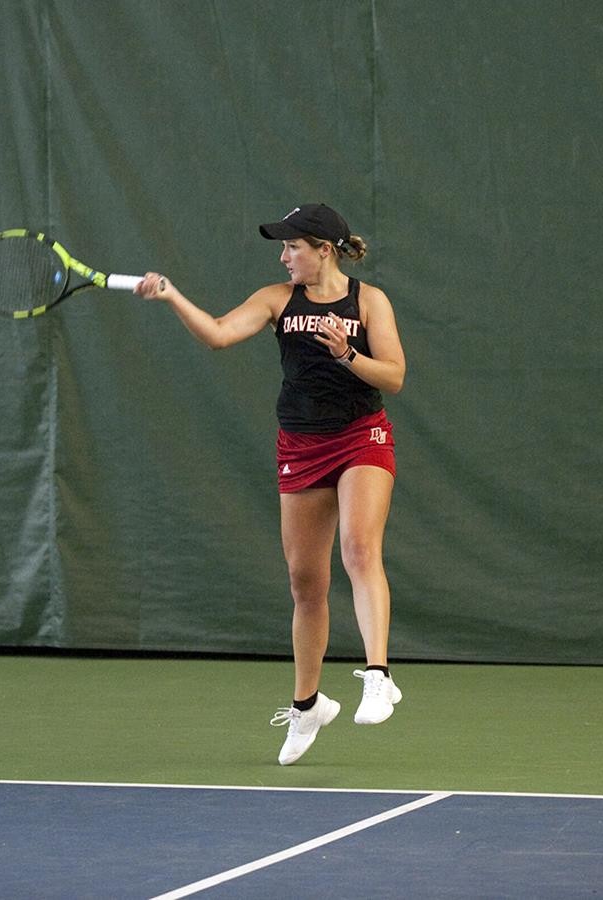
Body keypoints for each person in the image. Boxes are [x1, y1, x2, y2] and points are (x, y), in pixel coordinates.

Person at [135, 204, 407, 765]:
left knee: (359, 549)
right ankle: (308, 707)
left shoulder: (369, 301)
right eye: (282, 249)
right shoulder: (276, 300)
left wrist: (347, 354)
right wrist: (171, 296)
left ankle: (378, 676)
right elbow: (216, 335)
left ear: (324, 250)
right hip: (301, 446)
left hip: (362, 436)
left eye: (292, 248)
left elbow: (395, 375)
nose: (284, 257)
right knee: (305, 584)